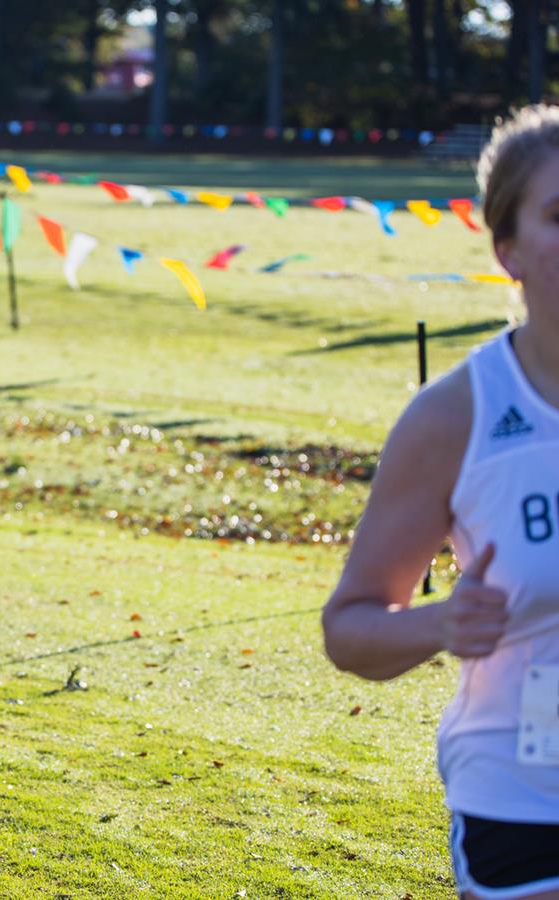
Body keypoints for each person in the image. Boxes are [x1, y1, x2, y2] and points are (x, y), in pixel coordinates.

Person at [322, 103, 559, 900]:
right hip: (528, 808)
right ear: (509, 249)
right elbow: (350, 630)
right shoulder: (459, 414)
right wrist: (441, 624)